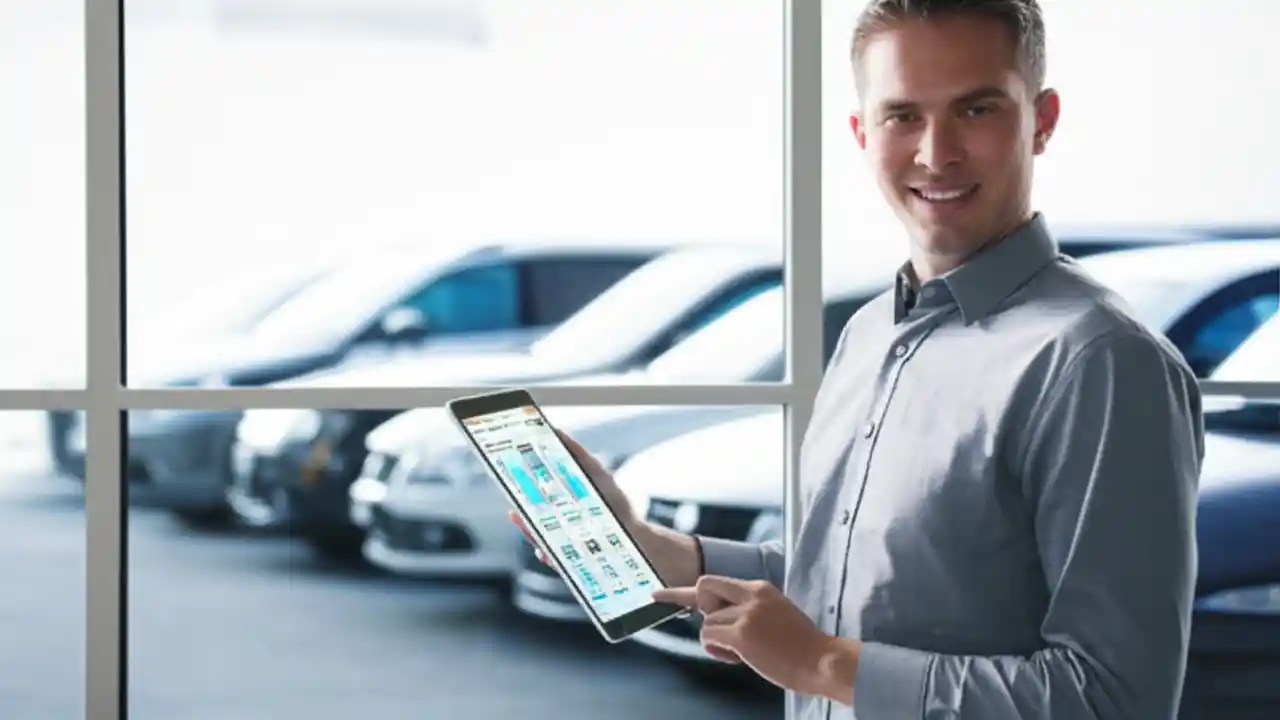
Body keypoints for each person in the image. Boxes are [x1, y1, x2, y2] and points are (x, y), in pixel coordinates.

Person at [513, 0, 1204, 717]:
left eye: (976, 110)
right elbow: (843, 583)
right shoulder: (870, 332)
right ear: (862, 132)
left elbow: (1117, 699)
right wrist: (658, 550)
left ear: (1043, 120)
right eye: (903, 115)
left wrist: (822, 663)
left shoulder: (1101, 362)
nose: (935, 152)